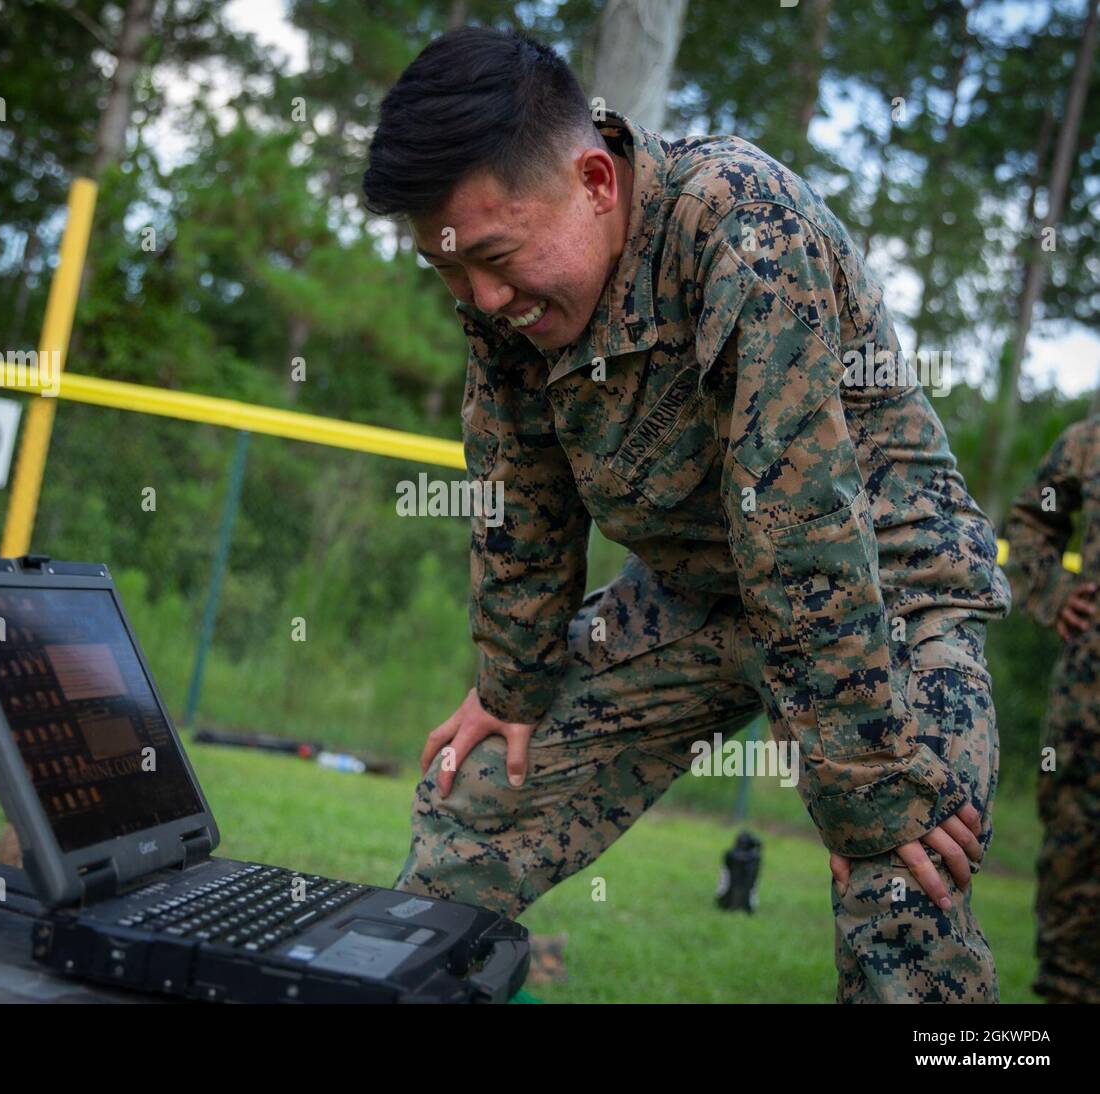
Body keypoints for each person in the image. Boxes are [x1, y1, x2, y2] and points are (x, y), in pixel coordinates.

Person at [362, 26, 1010, 1002]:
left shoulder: (736, 219)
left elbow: (799, 516)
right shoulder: (501, 303)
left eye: (495, 257)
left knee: (901, 882)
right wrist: (510, 683)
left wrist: (859, 769)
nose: (482, 297)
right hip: (698, 599)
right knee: (479, 793)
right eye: (449, 269)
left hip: (880, 592)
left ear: (594, 180)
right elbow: (521, 490)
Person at [1003, 418, 1100, 1004]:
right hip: (1090, 708)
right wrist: (1054, 593)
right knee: (1077, 859)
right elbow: (1036, 517)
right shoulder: (1088, 442)